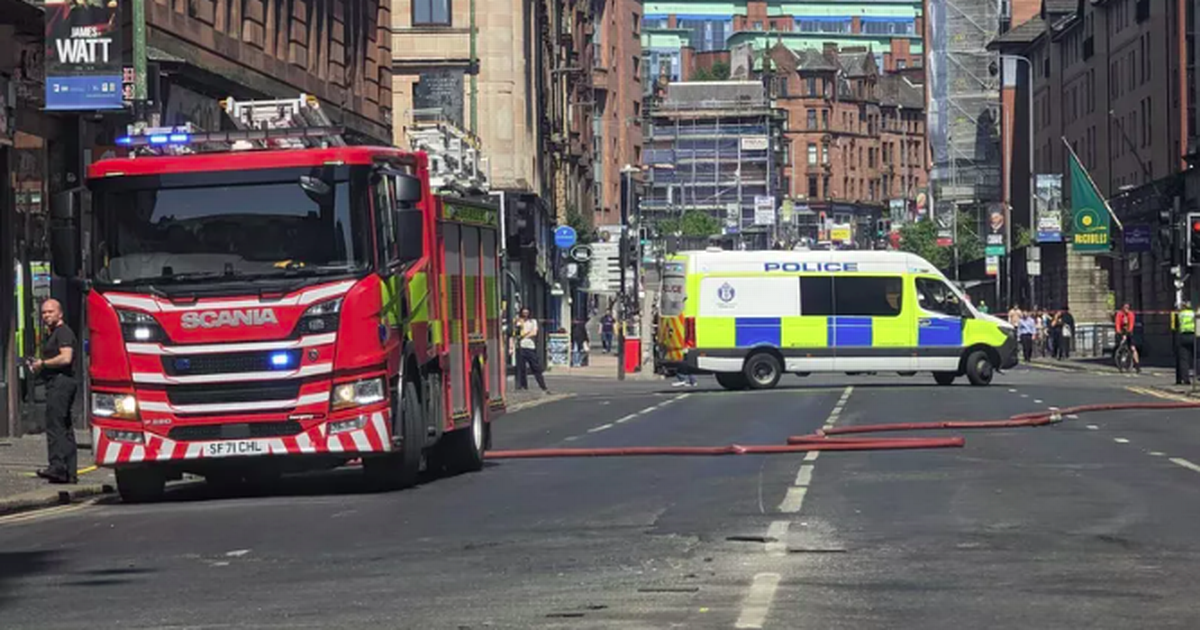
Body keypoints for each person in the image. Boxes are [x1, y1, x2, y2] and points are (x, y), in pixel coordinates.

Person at [30, 299, 79, 484]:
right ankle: (70, 472)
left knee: (55, 425)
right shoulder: (52, 333)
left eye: (50, 312)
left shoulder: (63, 332)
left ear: (60, 314)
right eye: (43, 313)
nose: (46, 315)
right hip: (59, 382)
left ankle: (57, 467)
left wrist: (43, 363)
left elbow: (66, 358)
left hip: (61, 383)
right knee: (65, 426)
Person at [513, 308, 550, 392]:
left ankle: (543, 386)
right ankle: (523, 386)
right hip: (521, 347)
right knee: (521, 368)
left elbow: (534, 333)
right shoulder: (519, 322)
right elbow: (516, 333)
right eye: (524, 313)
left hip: (530, 347)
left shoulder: (533, 322)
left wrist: (523, 335)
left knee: (536, 367)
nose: (525, 315)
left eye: (527, 313)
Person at [1115, 303, 1140, 373]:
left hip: (1129, 332)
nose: (1126, 309)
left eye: (1127, 308)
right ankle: (1121, 362)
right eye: (1125, 307)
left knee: (1133, 348)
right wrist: (1119, 333)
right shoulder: (1119, 314)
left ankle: (1137, 365)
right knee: (1121, 346)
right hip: (1122, 331)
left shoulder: (1131, 314)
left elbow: (1131, 325)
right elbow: (1117, 324)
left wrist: (1127, 334)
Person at [1174, 301, 1195, 385]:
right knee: (1196, 357)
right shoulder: (1193, 313)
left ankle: (1185, 379)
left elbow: (1176, 326)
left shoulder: (1180, 314)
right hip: (1194, 335)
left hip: (1182, 336)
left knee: (1183, 359)